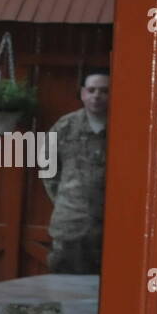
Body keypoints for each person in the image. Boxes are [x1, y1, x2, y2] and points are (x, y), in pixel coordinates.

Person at [44, 67, 109, 274]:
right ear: (82, 93)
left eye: (104, 90)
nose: (96, 96)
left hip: (112, 228)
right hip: (70, 226)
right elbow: (48, 168)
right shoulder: (65, 126)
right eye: (91, 90)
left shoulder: (126, 127)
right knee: (62, 290)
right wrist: (67, 199)